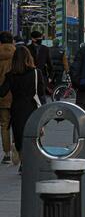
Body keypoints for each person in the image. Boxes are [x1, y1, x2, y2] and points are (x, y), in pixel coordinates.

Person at [0, 46, 47, 171]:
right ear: (29, 58)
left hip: (17, 110)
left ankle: (23, 164)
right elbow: (41, 93)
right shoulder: (36, 73)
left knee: (19, 138)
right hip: (33, 108)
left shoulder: (10, 75)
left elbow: (2, 92)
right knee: (33, 136)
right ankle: (32, 162)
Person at [0, 31, 15, 164]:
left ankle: (6, 154)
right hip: (17, 95)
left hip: (2, 95)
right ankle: (17, 152)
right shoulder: (19, 53)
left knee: (4, 125)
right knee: (17, 124)